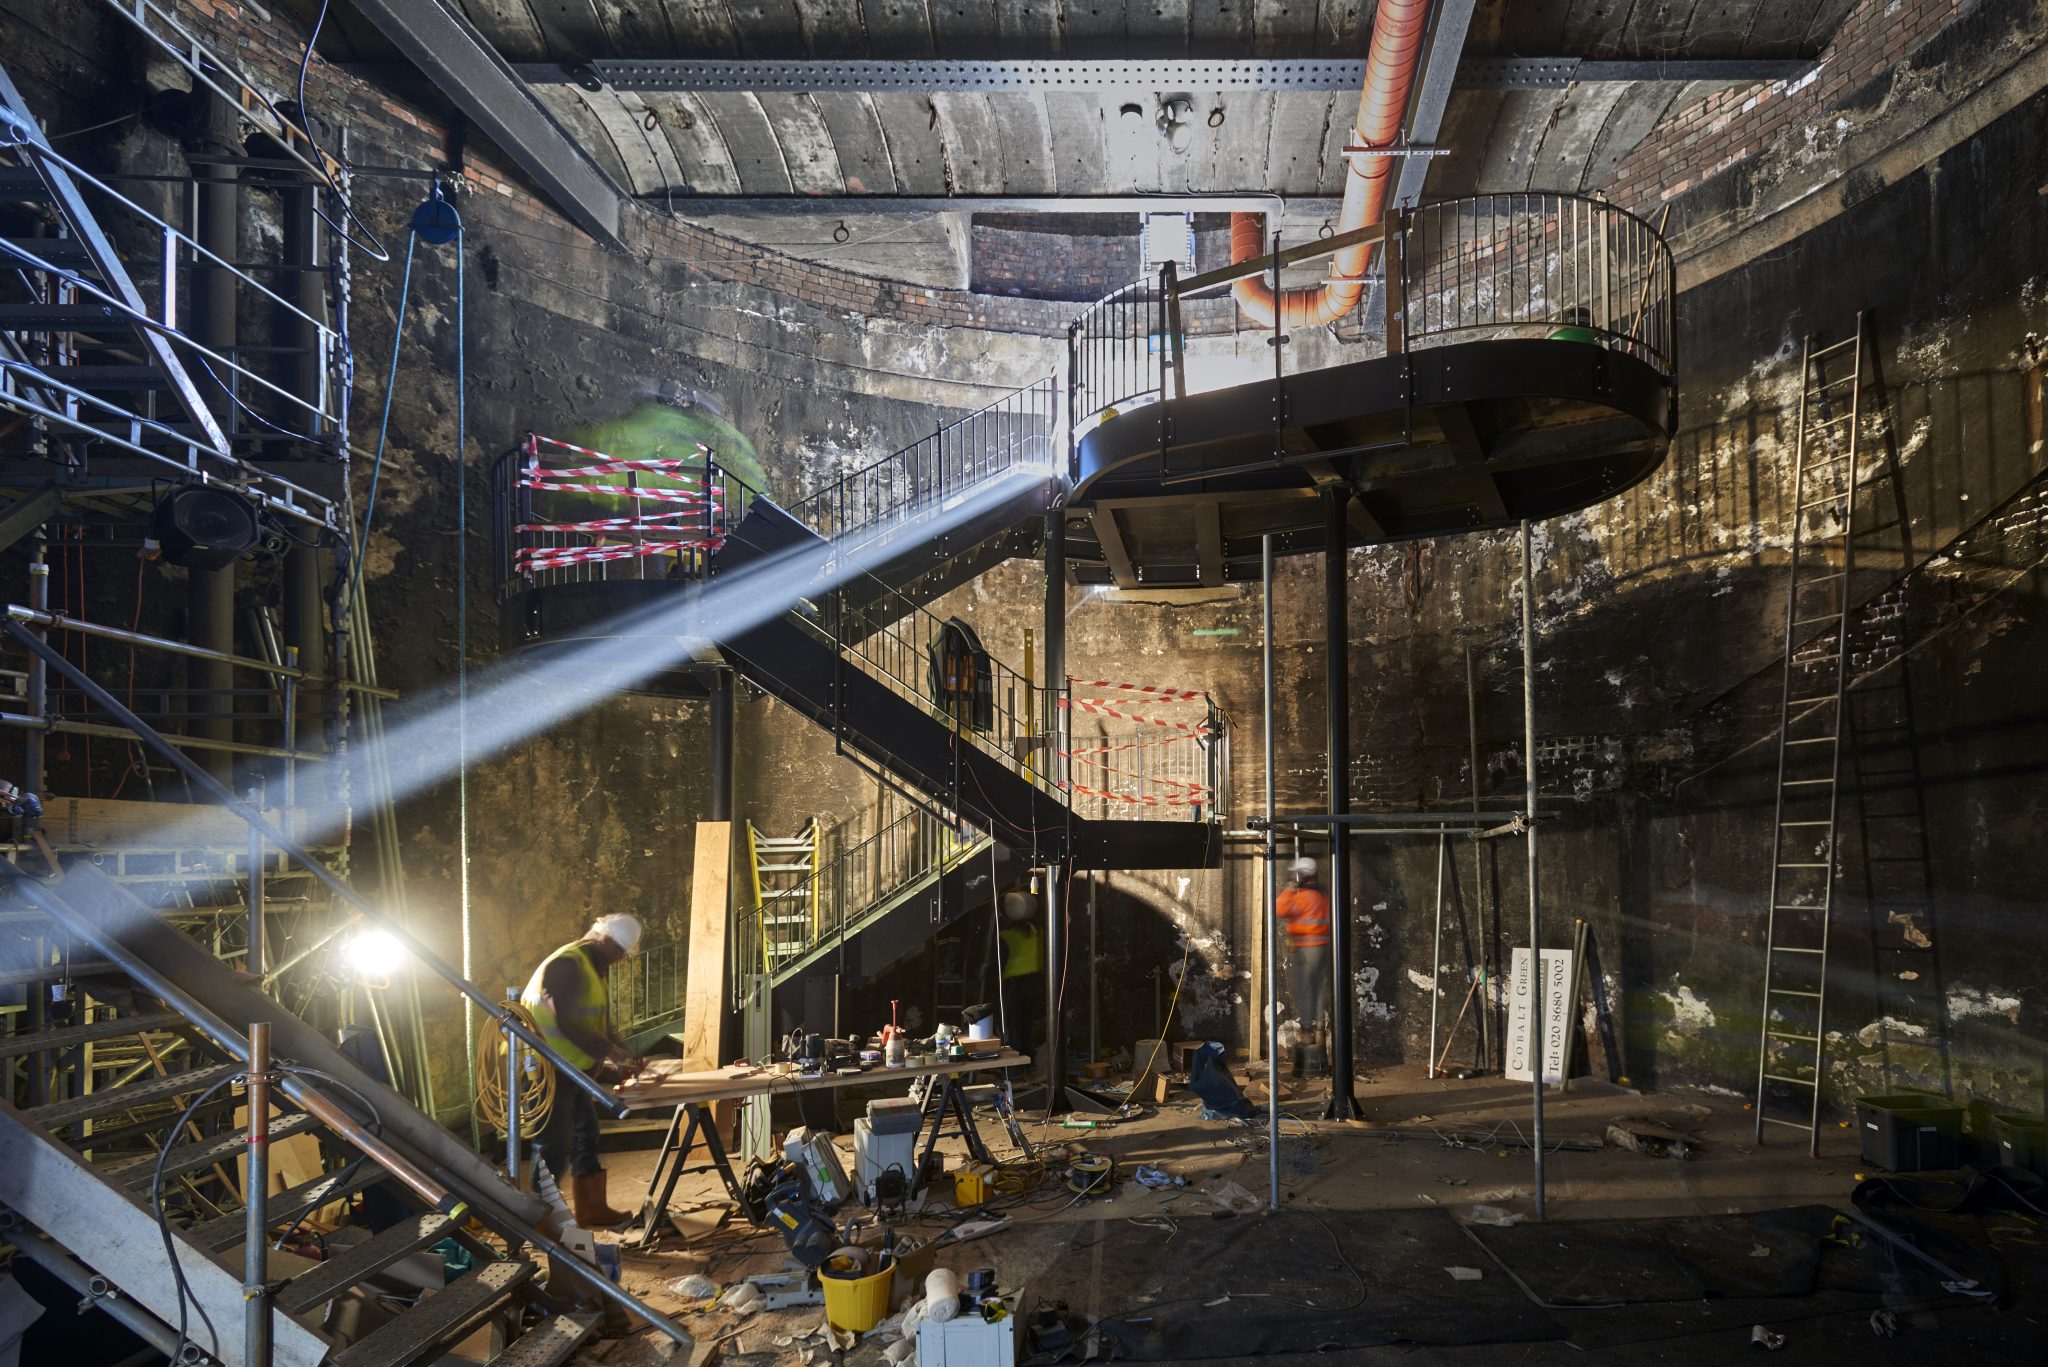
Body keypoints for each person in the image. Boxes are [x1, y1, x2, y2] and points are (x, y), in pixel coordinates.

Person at [520, 912, 644, 1227]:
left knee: (585, 1134)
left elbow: (595, 1023)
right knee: (554, 1144)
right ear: (604, 939)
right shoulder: (567, 964)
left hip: (571, 1068)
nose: (618, 960)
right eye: (618, 952)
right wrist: (609, 1051)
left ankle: (591, 1210)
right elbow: (566, 1019)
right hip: (547, 1068)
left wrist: (620, 1056)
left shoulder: (591, 966)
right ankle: (541, 1220)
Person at [1276, 857, 1332, 1052]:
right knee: (1319, 991)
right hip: (1323, 949)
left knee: (1305, 991)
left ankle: (1307, 1034)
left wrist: (1289, 888)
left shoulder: (1303, 897)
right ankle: (1319, 1032)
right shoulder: (1324, 895)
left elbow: (1279, 909)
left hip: (1306, 950)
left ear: (1301, 875)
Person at [996, 890, 1042, 1058]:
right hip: (1033, 981)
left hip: (1014, 984)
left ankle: (1014, 1062)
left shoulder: (1006, 936)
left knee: (1013, 1024)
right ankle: (1029, 1059)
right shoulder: (1034, 930)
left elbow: (1000, 962)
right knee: (1027, 1023)